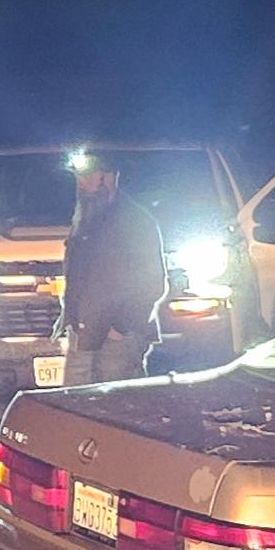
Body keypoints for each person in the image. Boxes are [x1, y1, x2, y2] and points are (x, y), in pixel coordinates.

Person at [55, 154, 167, 384]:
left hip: (118, 338)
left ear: (109, 177)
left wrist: (121, 328)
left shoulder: (136, 221)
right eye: (78, 177)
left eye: (87, 176)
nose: (81, 183)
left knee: (118, 406)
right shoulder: (84, 219)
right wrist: (71, 320)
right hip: (83, 334)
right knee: (74, 405)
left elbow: (153, 282)